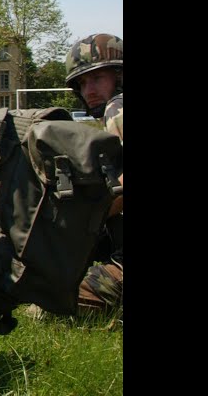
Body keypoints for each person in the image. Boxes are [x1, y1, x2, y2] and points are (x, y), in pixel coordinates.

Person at [65, 34, 123, 314]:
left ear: (119, 77)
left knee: (61, 301)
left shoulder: (118, 107)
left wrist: (88, 217)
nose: (89, 90)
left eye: (97, 78)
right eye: (82, 83)